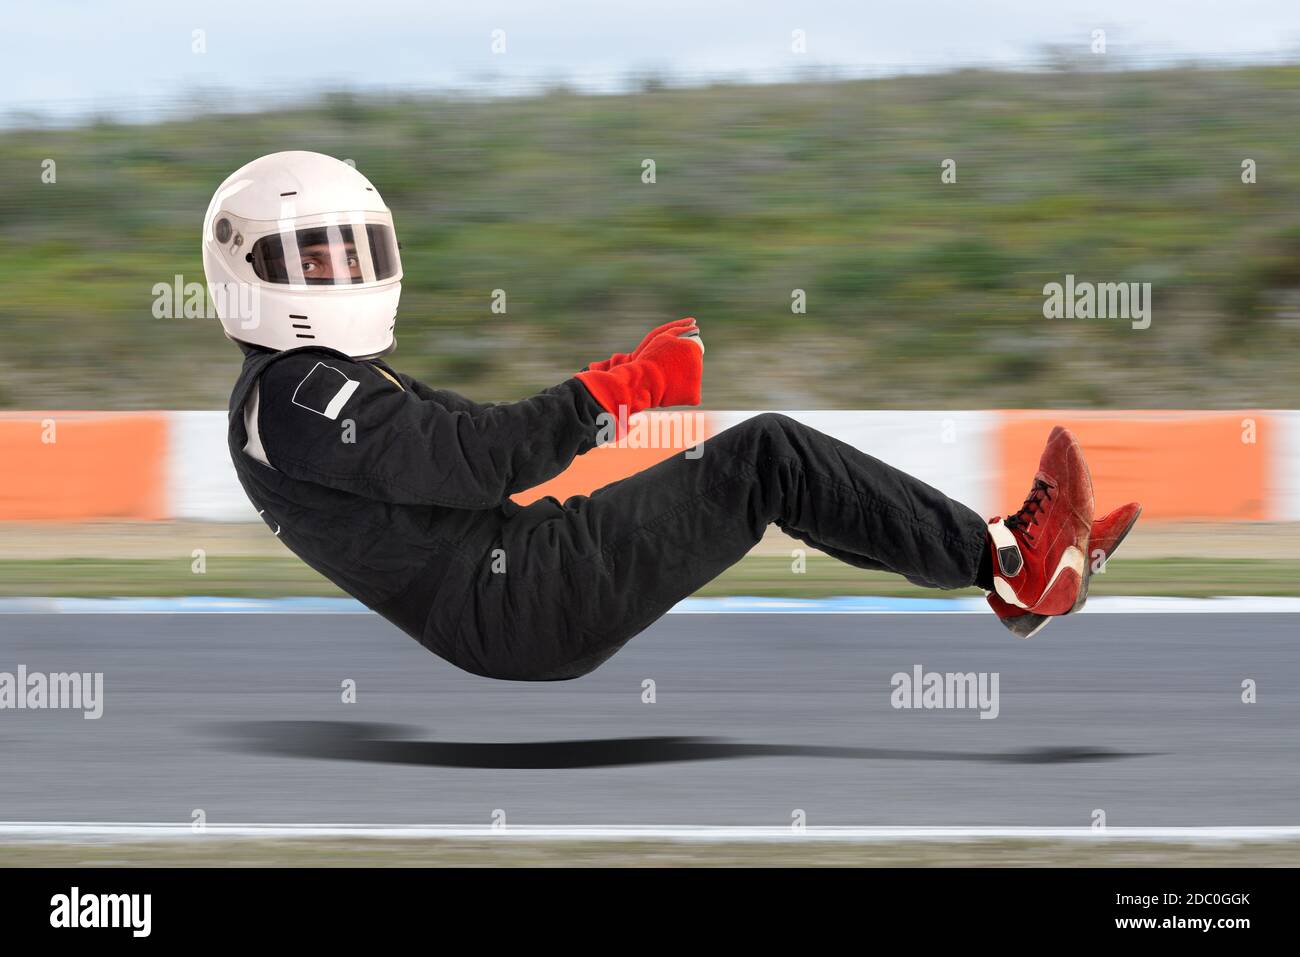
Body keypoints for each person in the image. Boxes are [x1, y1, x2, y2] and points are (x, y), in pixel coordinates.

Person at [203, 151, 1139, 680]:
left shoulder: (312, 389)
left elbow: (471, 438)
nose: (348, 274)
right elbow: (480, 458)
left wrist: (610, 387)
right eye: (316, 260)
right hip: (523, 598)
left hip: (521, 584)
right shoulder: (293, 398)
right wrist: (625, 390)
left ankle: (1019, 562)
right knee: (770, 457)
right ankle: (1012, 564)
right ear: (248, 270)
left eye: (353, 252)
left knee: (776, 476)